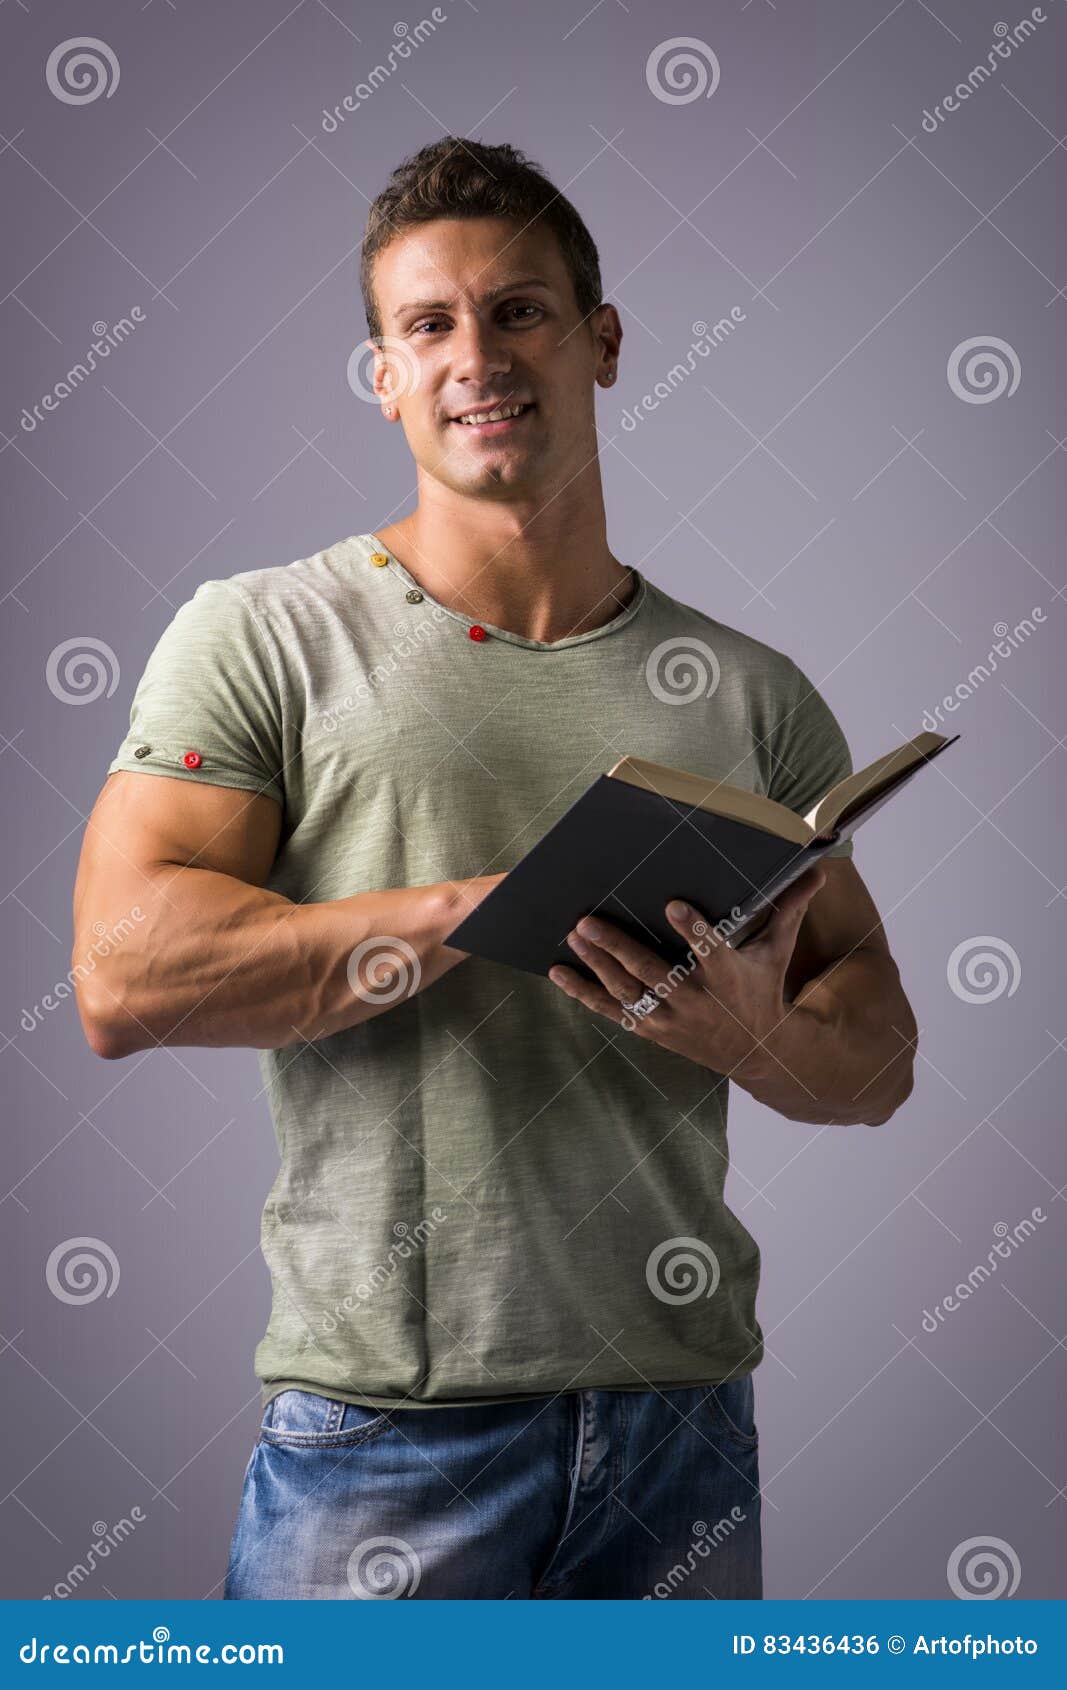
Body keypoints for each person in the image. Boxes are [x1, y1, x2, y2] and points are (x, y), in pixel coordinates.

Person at [72, 137, 917, 1601]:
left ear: (600, 340)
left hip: (682, 1427)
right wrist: (473, 909)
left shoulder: (748, 694)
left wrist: (758, 1033)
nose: (480, 355)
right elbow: (121, 973)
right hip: (385, 1441)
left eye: (520, 310)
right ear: (386, 375)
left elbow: (882, 1054)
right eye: (429, 324)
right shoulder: (264, 636)